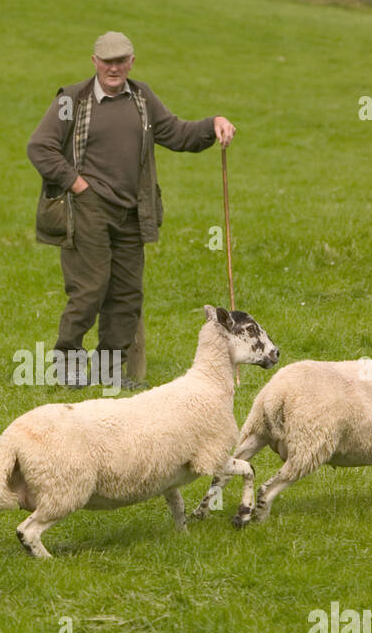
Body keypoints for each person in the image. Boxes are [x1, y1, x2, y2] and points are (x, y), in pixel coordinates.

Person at [27, 31, 236, 389]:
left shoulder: (142, 97)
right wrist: (77, 184)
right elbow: (40, 147)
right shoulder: (72, 100)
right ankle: (68, 367)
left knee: (127, 295)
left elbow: (176, 133)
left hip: (132, 211)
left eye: (121, 60)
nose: (114, 67)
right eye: (107, 61)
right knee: (90, 289)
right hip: (88, 208)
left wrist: (211, 124)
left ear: (131, 61)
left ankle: (110, 373)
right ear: (94, 62)